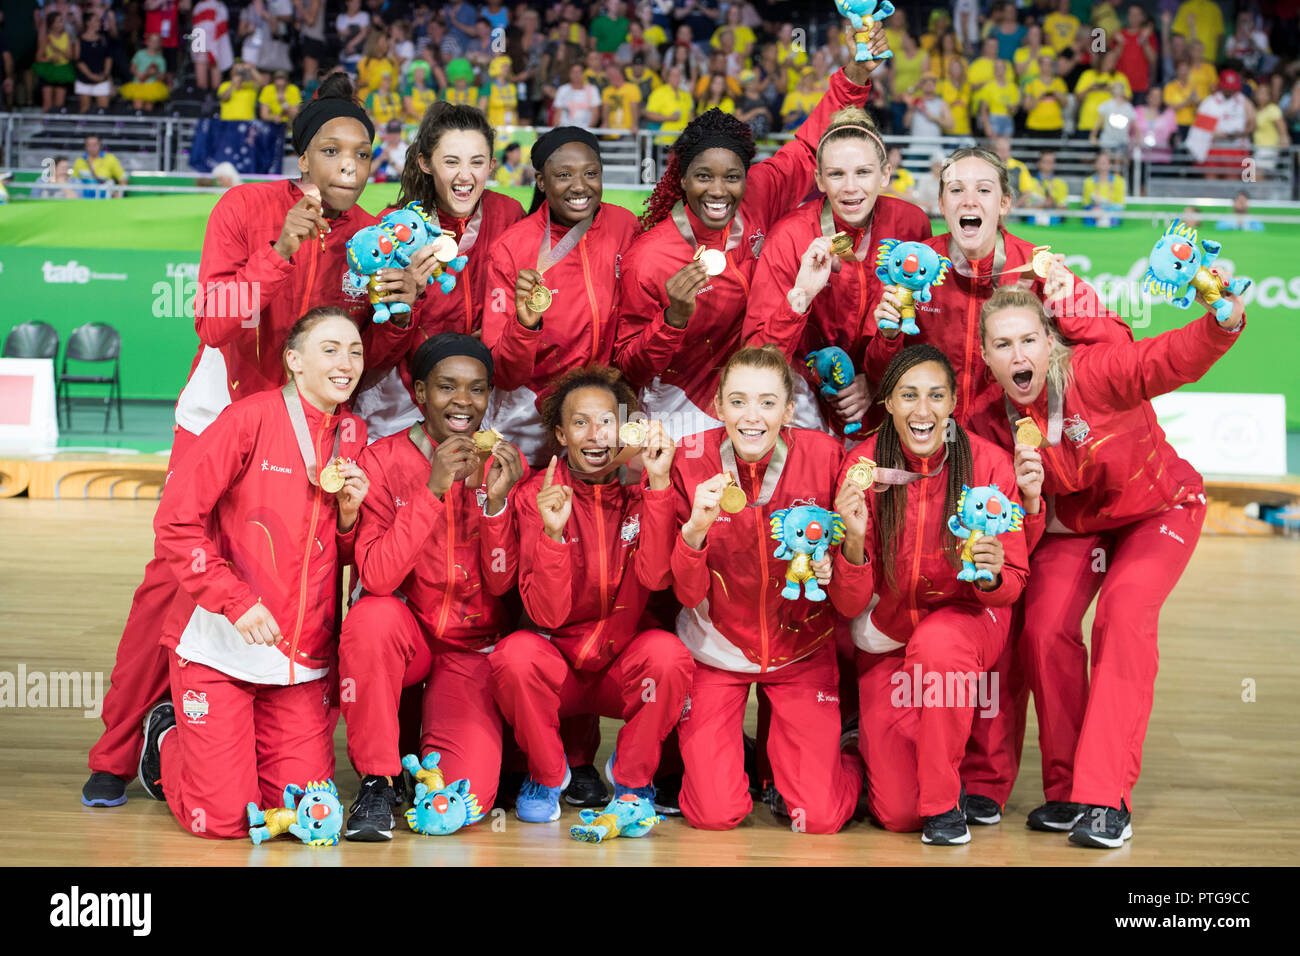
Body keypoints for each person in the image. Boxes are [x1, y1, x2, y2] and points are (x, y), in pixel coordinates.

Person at [80, 75, 424, 809]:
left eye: (362, 154)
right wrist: (276, 251)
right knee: (172, 583)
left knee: (294, 568)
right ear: (301, 159)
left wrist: (398, 307)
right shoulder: (245, 207)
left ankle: (265, 723)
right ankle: (116, 751)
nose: (348, 166)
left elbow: (367, 355)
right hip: (222, 412)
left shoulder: (368, 234)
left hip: (303, 428)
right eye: (331, 151)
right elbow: (212, 321)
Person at [969, 279, 1245, 847]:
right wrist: (1025, 500)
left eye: (1029, 340)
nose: (1019, 355)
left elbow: (1164, 360)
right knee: (1043, 631)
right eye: (1003, 345)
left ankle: (1105, 795)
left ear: (1051, 341)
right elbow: (1010, 522)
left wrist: (1222, 324)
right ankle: (1069, 789)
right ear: (984, 355)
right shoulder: (987, 421)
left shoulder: (1096, 372)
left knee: (1121, 615)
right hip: (1078, 527)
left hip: (1159, 509)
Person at [135, 306, 371, 839]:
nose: (346, 363)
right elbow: (176, 520)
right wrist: (234, 600)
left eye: (355, 351)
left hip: (299, 656)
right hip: (219, 643)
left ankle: (226, 752)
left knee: (304, 814)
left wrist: (352, 517)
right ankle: (167, 737)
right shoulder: (248, 418)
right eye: (330, 350)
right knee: (221, 820)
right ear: (294, 360)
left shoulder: (353, 432)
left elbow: (345, 551)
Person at [614, 42, 886, 443]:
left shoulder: (760, 193)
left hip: (757, 386)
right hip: (681, 404)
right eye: (703, 176)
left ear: (747, 175)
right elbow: (628, 369)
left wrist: (856, 75)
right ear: (682, 179)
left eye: (732, 177)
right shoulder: (650, 257)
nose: (719, 190)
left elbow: (810, 148)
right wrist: (670, 321)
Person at [651, 345, 871, 832]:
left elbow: (853, 602)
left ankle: (852, 756)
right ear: (718, 405)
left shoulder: (827, 456)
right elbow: (686, 595)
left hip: (801, 651)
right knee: (714, 815)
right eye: (739, 402)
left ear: (790, 411)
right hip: (717, 650)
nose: (753, 417)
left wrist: (850, 549)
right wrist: (693, 534)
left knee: (818, 819)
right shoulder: (691, 462)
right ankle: (741, 756)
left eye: (768, 403)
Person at [338, 334, 527, 839]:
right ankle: (378, 781)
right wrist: (433, 489)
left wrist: (497, 507)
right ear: (420, 392)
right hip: (408, 635)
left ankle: (427, 766)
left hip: (471, 649)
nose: (463, 401)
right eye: (447, 387)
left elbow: (505, 580)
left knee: (463, 802)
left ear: (491, 397)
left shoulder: (506, 465)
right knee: (371, 620)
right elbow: (376, 577)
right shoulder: (382, 460)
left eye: (477, 389)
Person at [489, 369, 692, 821]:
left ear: (626, 428)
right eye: (580, 423)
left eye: (606, 421)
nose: (595, 434)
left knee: (669, 655)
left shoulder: (646, 491)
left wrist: (658, 487)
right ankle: (546, 775)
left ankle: (634, 781)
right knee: (512, 657)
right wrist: (553, 535)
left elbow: (658, 577)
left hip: (618, 671)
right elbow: (547, 611)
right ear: (561, 433)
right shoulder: (534, 496)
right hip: (558, 672)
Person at [851, 343, 1030, 845]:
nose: (922, 410)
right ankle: (861, 748)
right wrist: (850, 542)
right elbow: (846, 599)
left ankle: (943, 807)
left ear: (954, 403)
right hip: (886, 634)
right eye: (908, 395)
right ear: (887, 402)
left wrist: (992, 575)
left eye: (935, 396)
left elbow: (1013, 579)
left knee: (937, 647)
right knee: (894, 813)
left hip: (965, 622)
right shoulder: (862, 466)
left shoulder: (990, 465)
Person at [744, 107, 932, 436]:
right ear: (819, 179)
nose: (850, 187)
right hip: (802, 396)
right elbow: (756, 353)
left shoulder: (911, 224)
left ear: (885, 174)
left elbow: (925, 327)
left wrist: (876, 383)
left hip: (887, 392)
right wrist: (799, 298)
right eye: (836, 174)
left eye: (863, 172)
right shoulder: (790, 236)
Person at [351, 103, 525, 441]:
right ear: (425, 163)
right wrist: (407, 305)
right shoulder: (392, 231)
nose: (465, 176)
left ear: (491, 164)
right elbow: (373, 355)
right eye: (451, 162)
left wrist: (490, 336)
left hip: (479, 395)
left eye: (476, 162)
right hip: (401, 397)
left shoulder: (509, 214)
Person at [481, 127, 641, 467]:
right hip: (533, 407)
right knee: (527, 501)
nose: (580, 186)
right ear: (541, 181)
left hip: (605, 403)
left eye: (591, 173)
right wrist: (526, 325)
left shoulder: (624, 225)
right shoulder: (512, 248)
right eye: (564, 175)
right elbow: (503, 373)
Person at [34, 10, 77, 113]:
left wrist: (56, 49)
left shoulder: (66, 37)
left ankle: (56, 125)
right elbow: (38, 57)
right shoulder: (46, 39)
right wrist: (50, 59)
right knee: (47, 103)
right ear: (52, 24)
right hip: (49, 70)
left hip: (63, 71)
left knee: (59, 104)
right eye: (59, 21)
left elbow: (71, 56)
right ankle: (45, 125)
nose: (62, 24)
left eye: (62, 21)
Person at [74, 13, 113, 114]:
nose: (99, 23)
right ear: (88, 23)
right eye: (96, 20)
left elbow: (108, 58)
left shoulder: (103, 39)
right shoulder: (79, 40)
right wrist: (91, 76)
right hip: (84, 79)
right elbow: (79, 61)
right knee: (85, 109)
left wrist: (105, 74)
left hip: (102, 78)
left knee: (103, 110)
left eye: (99, 21)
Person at [1091, 80, 1138, 153]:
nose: (1118, 90)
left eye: (1120, 88)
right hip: (1107, 141)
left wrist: (1138, 139)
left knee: (1118, 161)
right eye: (1116, 88)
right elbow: (1098, 122)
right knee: (1107, 159)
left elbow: (1135, 125)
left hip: (1122, 141)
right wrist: (1093, 136)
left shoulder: (1128, 107)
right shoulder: (1106, 105)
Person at [553, 62, 603, 127]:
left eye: (579, 72)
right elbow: (557, 113)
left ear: (583, 74)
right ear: (569, 74)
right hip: (565, 130)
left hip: (585, 130)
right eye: (573, 72)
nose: (576, 74)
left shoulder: (592, 89)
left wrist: (588, 130)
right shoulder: (562, 89)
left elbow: (595, 114)